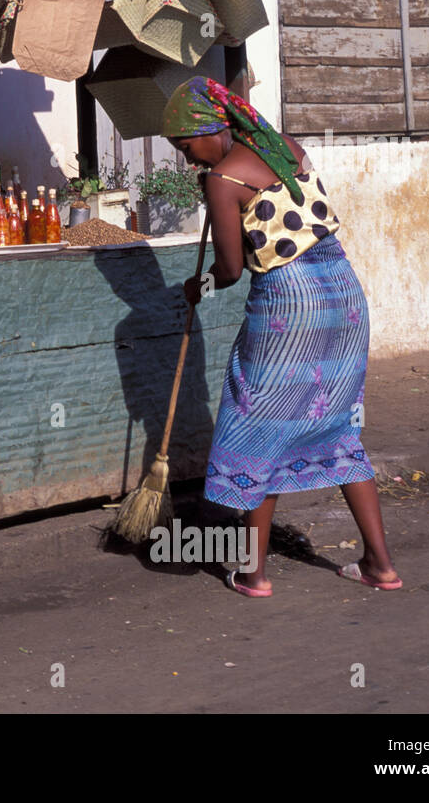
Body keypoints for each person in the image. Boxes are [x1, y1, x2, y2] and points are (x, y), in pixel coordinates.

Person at [160, 76, 401, 597]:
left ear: (212, 128)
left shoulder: (221, 181)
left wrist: (194, 284)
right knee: (337, 427)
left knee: (258, 427)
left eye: (186, 146)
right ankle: (380, 566)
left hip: (289, 304)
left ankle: (253, 572)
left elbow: (228, 271)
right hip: (343, 293)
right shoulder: (288, 147)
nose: (187, 160)